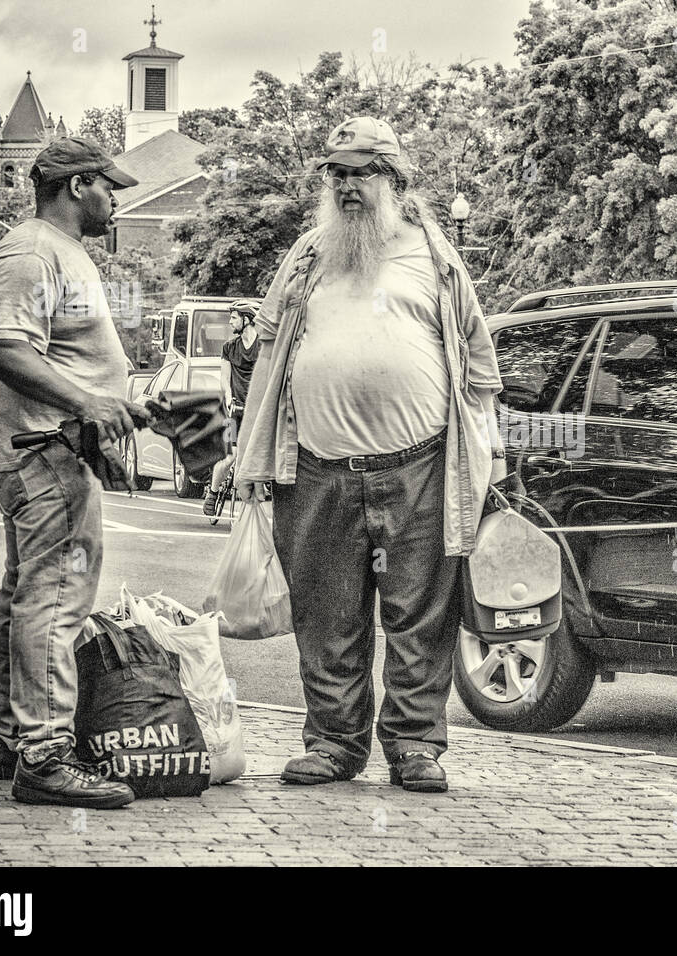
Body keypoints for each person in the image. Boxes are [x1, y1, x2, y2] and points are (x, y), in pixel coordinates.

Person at [234, 116, 505, 793]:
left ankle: (415, 746)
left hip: (418, 464)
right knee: (326, 613)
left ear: (395, 182)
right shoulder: (306, 255)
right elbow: (267, 351)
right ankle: (332, 744)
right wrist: (245, 455)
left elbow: (476, 361)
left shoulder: (436, 258)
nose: (347, 185)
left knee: (420, 615)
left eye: (362, 173)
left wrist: (489, 452)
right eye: (337, 174)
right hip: (317, 465)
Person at [0, 136, 150, 808]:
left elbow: (59, 356)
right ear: (79, 185)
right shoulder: (30, 250)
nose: (115, 198)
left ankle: (13, 738)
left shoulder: (57, 251)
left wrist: (116, 403)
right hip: (42, 448)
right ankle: (44, 756)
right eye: (110, 185)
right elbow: (2, 346)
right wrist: (87, 403)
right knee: (54, 597)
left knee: (27, 591)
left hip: (48, 445)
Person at [204, 299, 261, 515]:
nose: (230, 321)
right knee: (229, 457)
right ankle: (214, 492)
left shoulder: (264, 346)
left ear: (247, 320)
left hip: (257, 412)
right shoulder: (229, 348)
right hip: (234, 411)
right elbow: (224, 379)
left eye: (234, 317)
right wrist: (228, 398)